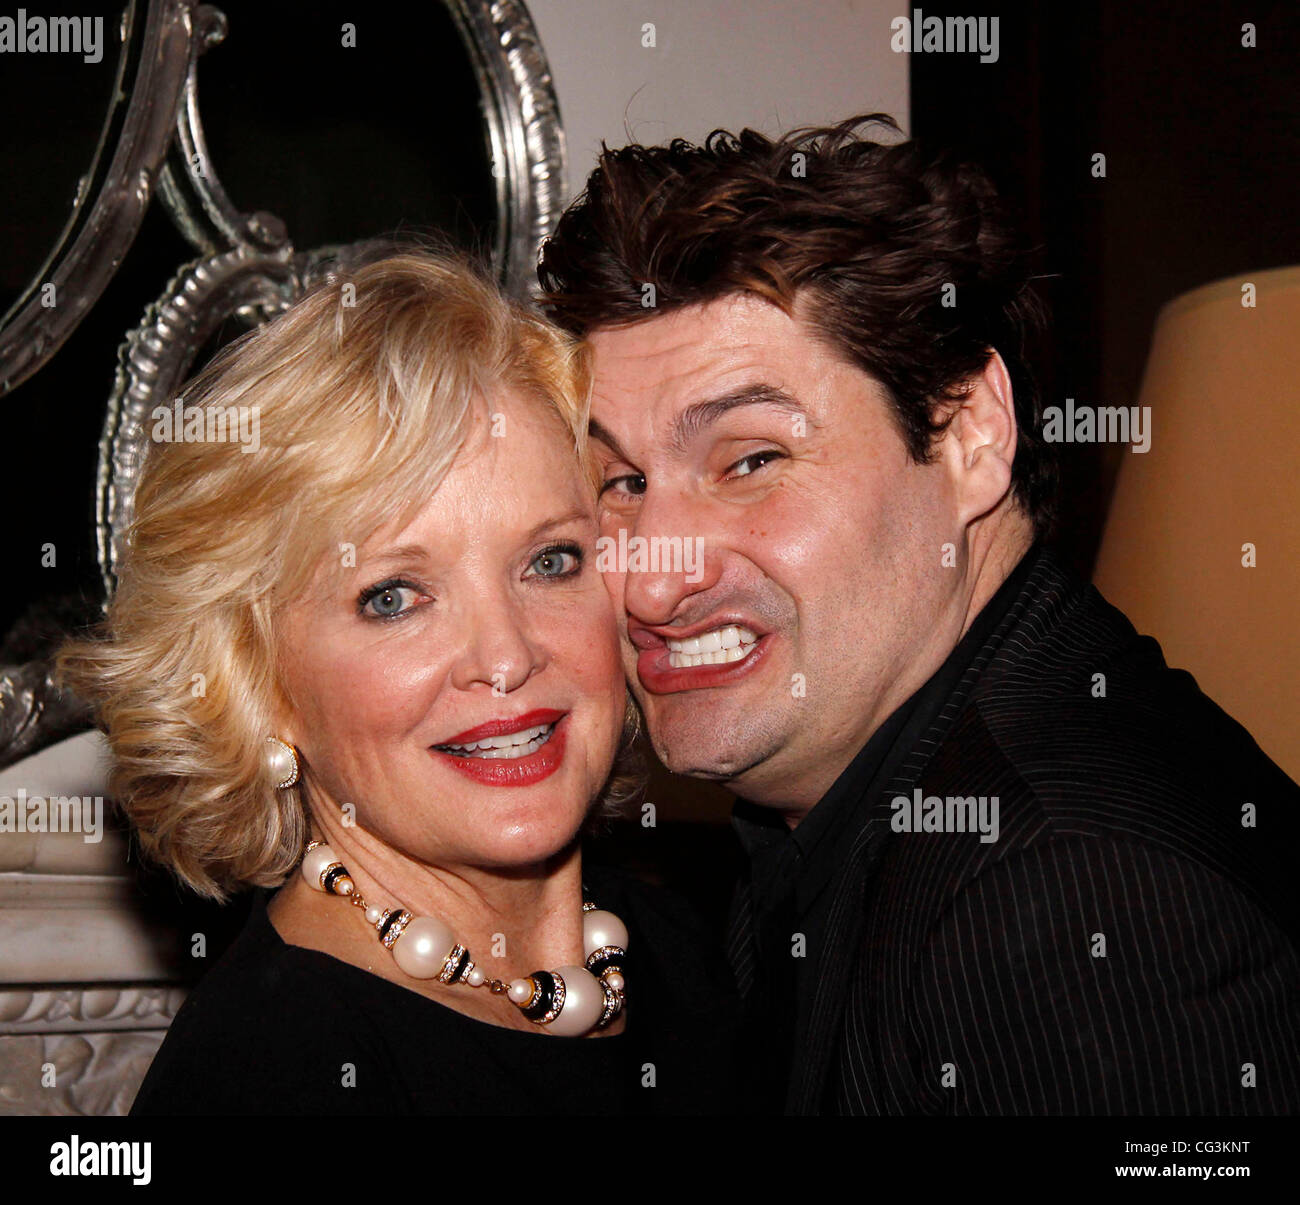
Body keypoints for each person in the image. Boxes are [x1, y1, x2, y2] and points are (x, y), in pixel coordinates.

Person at [537, 114, 1300, 1115]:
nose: (647, 580)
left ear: (967, 433)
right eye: (620, 480)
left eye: (750, 459)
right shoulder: (858, 802)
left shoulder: (1066, 897)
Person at [57, 251, 736, 1115]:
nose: (505, 655)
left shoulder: (702, 952)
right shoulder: (270, 1074)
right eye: (393, 597)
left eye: (551, 561)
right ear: (258, 683)